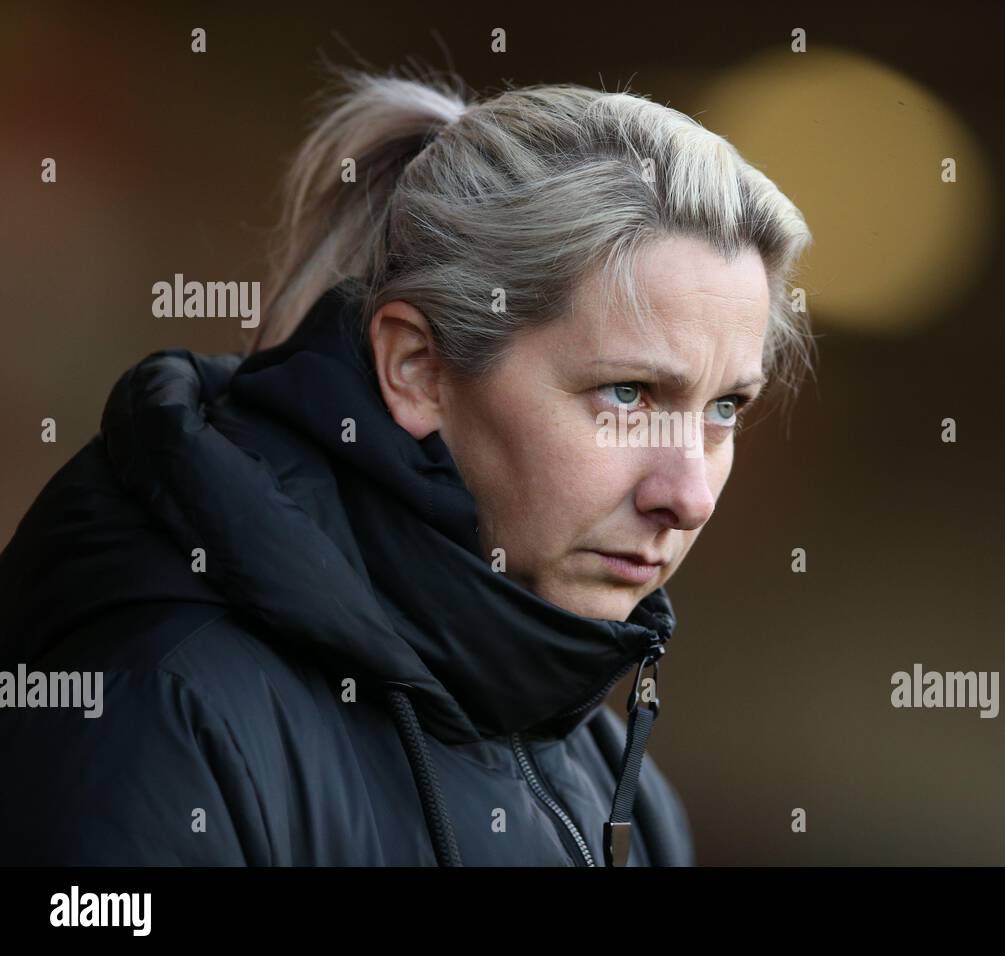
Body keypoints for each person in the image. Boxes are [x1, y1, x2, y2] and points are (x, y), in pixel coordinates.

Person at [0, 66, 814, 865]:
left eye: (723, 410)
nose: (691, 495)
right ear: (417, 368)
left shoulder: (617, 784)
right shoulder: (162, 714)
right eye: (628, 394)